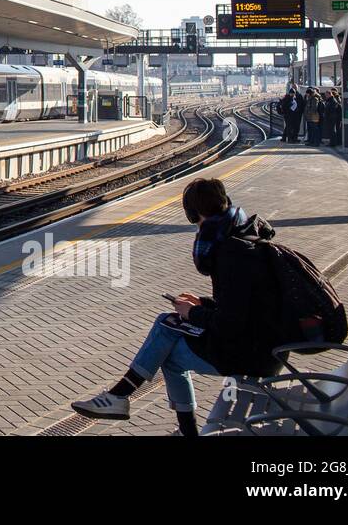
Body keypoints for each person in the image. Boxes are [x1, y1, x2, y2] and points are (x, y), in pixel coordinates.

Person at [71, 178, 281, 437]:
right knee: (167, 338)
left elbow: (230, 323)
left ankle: (121, 397)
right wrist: (202, 303)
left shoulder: (231, 255)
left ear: (196, 215)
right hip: (262, 344)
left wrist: (192, 313)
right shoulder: (243, 239)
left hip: (251, 354)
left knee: (166, 331)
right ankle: (130, 402)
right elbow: (241, 306)